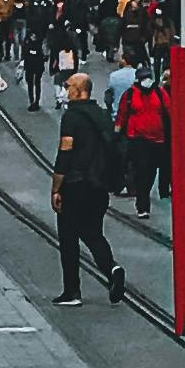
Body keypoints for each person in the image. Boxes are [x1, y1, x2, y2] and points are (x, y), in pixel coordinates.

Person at [51, 71, 126, 305]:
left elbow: (66, 152)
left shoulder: (72, 116)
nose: (65, 89)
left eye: (68, 85)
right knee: (93, 232)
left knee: (69, 237)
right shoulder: (102, 115)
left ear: (80, 89)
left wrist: (56, 187)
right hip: (99, 186)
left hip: (75, 185)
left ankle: (72, 291)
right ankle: (112, 268)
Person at [115, 61, 170, 220]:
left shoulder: (159, 93)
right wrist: (117, 133)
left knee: (151, 171)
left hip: (158, 139)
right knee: (142, 170)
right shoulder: (130, 94)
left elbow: (170, 110)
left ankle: (143, 194)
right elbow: (122, 114)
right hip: (137, 138)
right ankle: (142, 204)